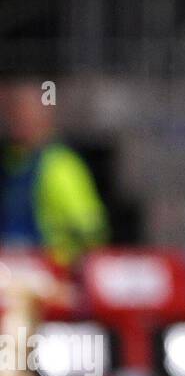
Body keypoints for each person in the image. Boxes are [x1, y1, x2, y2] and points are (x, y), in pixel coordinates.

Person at [0, 79, 108, 265]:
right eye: (12, 111)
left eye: (24, 110)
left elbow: (91, 232)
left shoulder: (61, 166)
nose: (16, 119)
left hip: (50, 274)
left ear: (44, 115)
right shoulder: (11, 162)